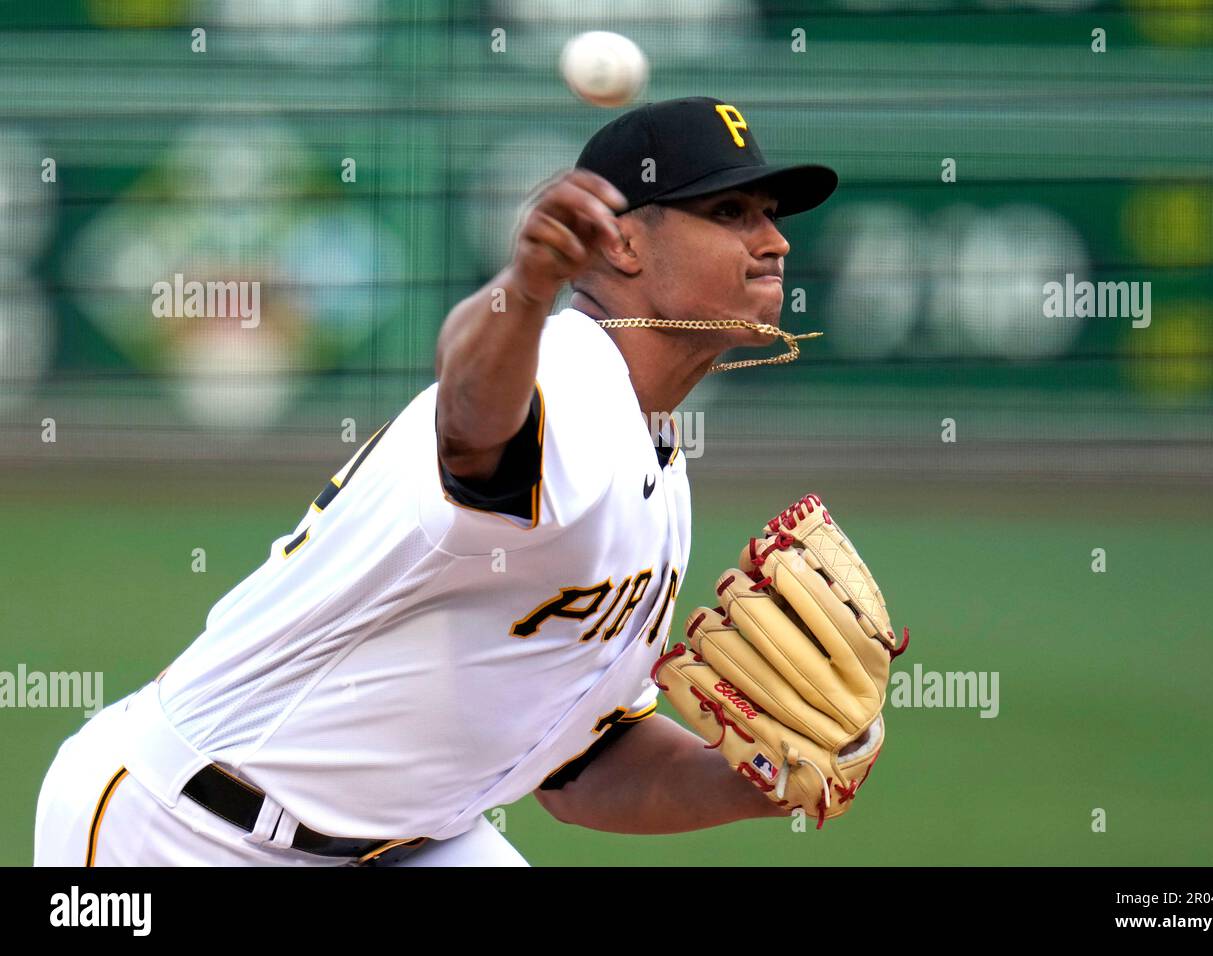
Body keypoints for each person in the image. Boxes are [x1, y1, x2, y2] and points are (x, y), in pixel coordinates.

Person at [33, 96, 839, 866]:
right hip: (186, 829)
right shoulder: (566, 377)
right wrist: (521, 292)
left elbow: (582, 768)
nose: (774, 241)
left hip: (416, 841)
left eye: (770, 213)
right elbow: (469, 416)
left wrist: (763, 781)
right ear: (622, 245)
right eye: (730, 213)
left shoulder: (655, 455)